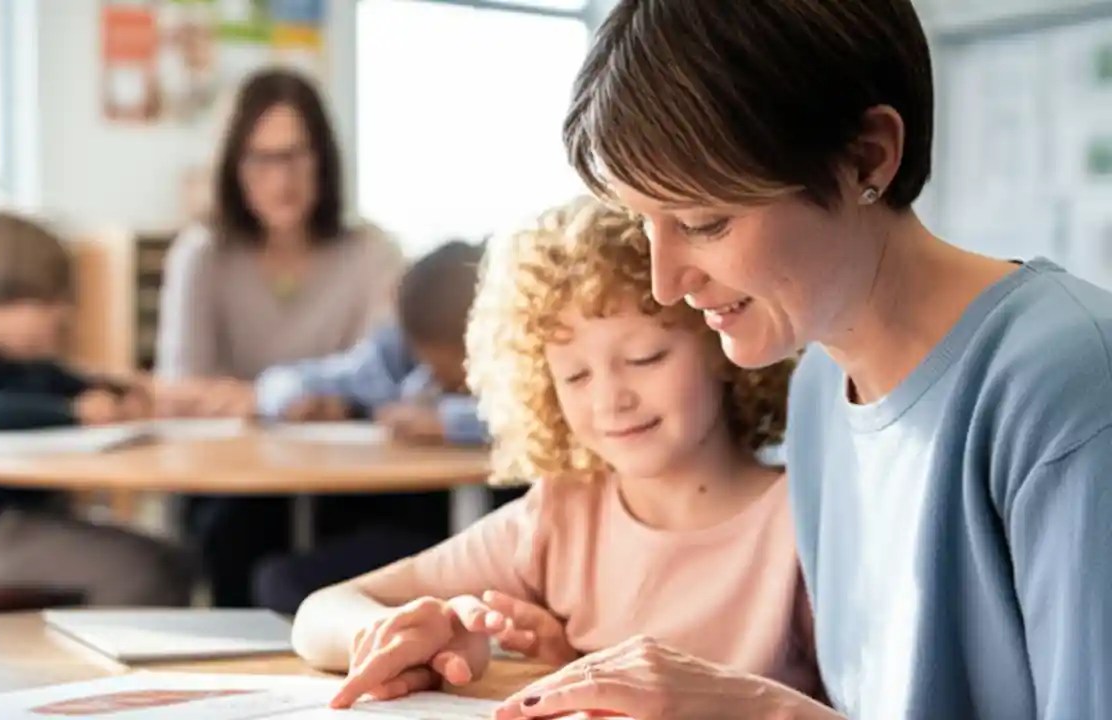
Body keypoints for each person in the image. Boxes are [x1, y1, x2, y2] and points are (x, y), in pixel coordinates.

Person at [493, 2, 1112, 719]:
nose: (666, 281)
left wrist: (762, 712)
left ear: (866, 158)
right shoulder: (819, 386)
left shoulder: (1069, 387)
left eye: (703, 223)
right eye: (643, 222)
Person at [290, 198, 817, 708]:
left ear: (719, 336)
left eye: (645, 357)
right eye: (576, 375)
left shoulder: (802, 529)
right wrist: (396, 632)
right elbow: (320, 612)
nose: (611, 399)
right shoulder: (562, 515)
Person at [154, 68, 403, 606]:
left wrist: (254, 396)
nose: (280, 178)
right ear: (233, 166)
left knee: (379, 537)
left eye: (296, 155)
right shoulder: (202, 255)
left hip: (349, 478)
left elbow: (384, 379)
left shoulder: (371, 251)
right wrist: (288, 402)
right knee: (235, 533)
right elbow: (177, 390)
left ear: (324, 159)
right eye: (260, 158)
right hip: (236, 482)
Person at [0, 211, 192, 606]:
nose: (61, 315)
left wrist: (126, 393)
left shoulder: (27, 369)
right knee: (139, 567)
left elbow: (81, 383)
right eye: (43, 301)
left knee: (176, 558)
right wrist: (75, 414)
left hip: (30, 527)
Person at [249, 240, 491, 614]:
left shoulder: (527, 358)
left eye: (455, 369)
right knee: (279, 576)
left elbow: (536, 412)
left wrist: (449, 422)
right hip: (419, 540)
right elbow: (287, 381)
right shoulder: (400, 351)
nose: (446, 380)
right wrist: (297, 401)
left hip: (485, 546)